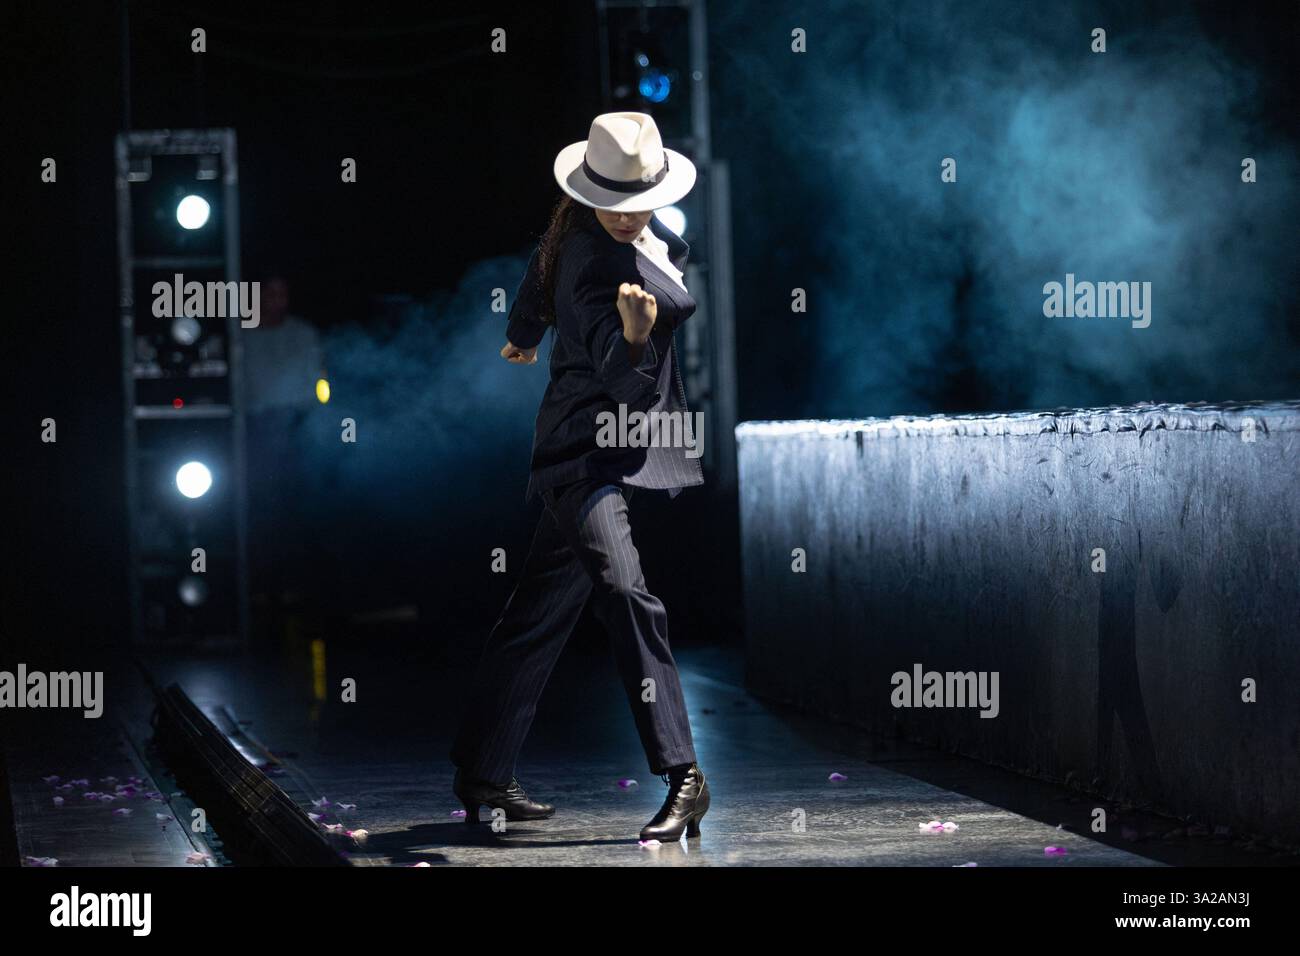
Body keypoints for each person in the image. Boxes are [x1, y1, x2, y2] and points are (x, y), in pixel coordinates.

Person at [450, 112, 710, 842]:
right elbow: (624, 385)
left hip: (605, 451)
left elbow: (536, 277)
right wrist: (633, 339)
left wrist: (521, 335)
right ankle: (685, 775)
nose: (628, 218)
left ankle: (482, 773)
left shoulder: (574, 232)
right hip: (584, 457)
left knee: (534, 619)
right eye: (616, 204)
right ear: (589, 192)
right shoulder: (603, 272)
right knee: (626, 591)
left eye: (638, 202)